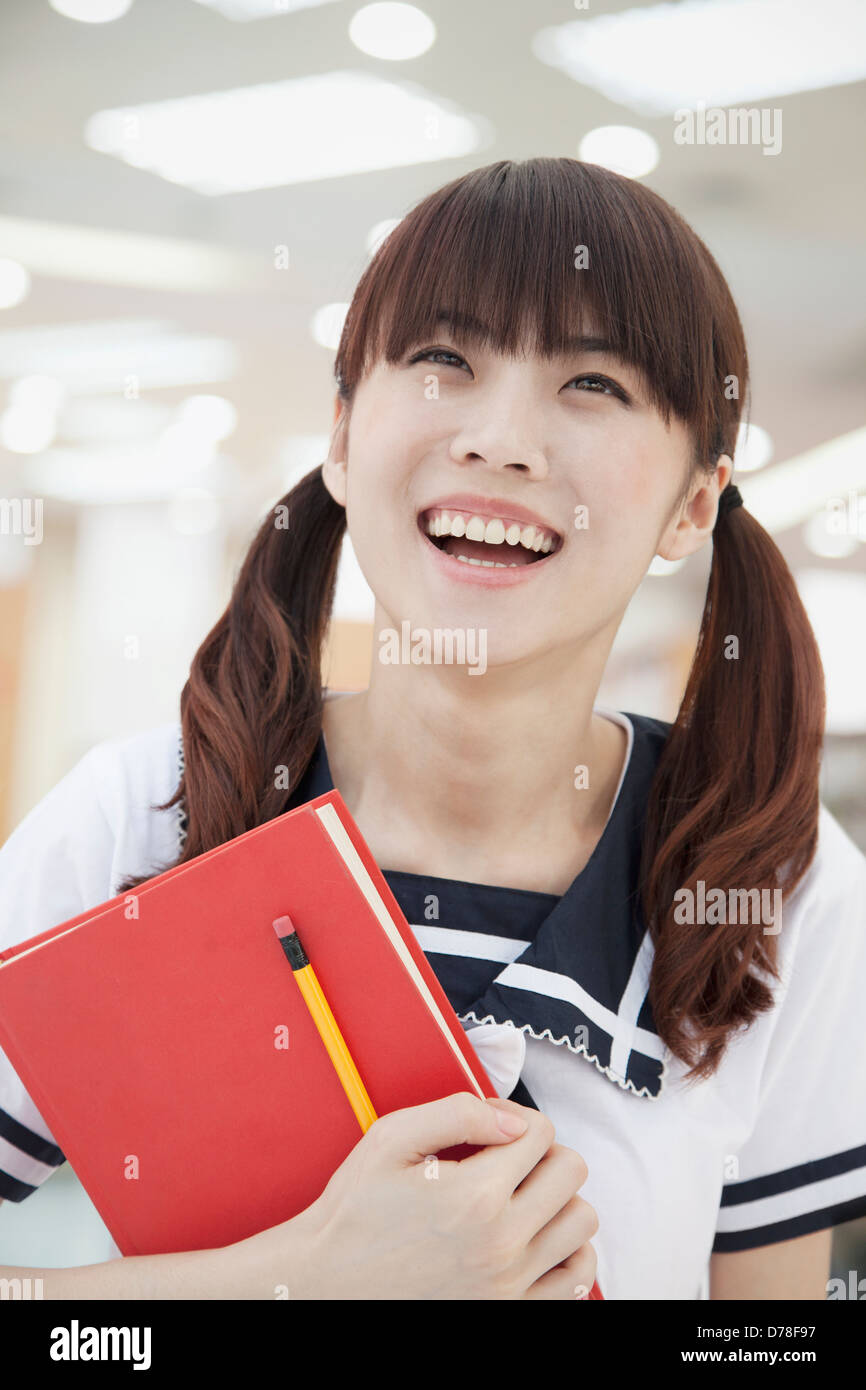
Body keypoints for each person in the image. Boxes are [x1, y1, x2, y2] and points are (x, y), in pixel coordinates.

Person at [1, 157, 864, 1300]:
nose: (500, 439)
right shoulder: (143, 822)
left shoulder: (772, 882)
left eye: (593, 382)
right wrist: (299, 1283)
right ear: (345, 438)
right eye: (444, 359)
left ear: (691, 503)